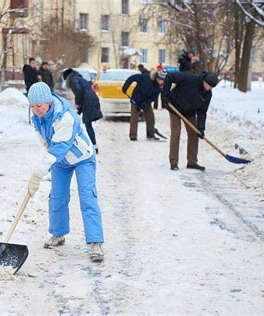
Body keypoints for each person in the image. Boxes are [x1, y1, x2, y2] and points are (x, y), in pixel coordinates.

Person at [27, 82, 105, 262]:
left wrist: (38, 173)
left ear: (48, 102)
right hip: (61, 162)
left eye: (39, 106)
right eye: (32, 106)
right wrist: (47, 151)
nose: (36, 110)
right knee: (57, 197)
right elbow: (46, 141)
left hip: (82, 159)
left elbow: (59, 147)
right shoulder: (37, 117)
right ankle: (58, 234)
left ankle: (95, 242)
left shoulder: (65, 118)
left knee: (87, 197)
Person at [161, 72, 220, 171]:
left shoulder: (207, 95)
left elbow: (202, 112)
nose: (208, 88)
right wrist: (165, 96)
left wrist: (201, 128)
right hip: (174, 107)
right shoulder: (190, 79)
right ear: (204, 80)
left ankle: (192, 162)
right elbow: (169, 77)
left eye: (211, 87)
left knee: (194, 133)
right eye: (208, 85)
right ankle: (174, 162)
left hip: (189, 112)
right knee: (176, 132)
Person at [63, 68, 103, 154]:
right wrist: (80, 109)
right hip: (91, 100)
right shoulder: (79, 78)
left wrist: (78, 103)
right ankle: (91, 145)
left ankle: (94, 146)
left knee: (88, 124)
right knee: (87, 124)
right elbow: (83, 92)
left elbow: (79, 91)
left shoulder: (73, 80)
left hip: (88, 102)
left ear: (68, 77)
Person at [122, 70, 166, 141]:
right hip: (136, 100)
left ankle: (150, 134)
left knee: (150, 117)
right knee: (134, 117)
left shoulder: (158, 88)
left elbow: (153, 98)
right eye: (159, 79)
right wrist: (125, 88)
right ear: (156, 77)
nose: (160, 81)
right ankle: (133, 135)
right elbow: (132, 78)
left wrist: (143, 104)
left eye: (162, 80)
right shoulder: (145, 77)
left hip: (146, 102)